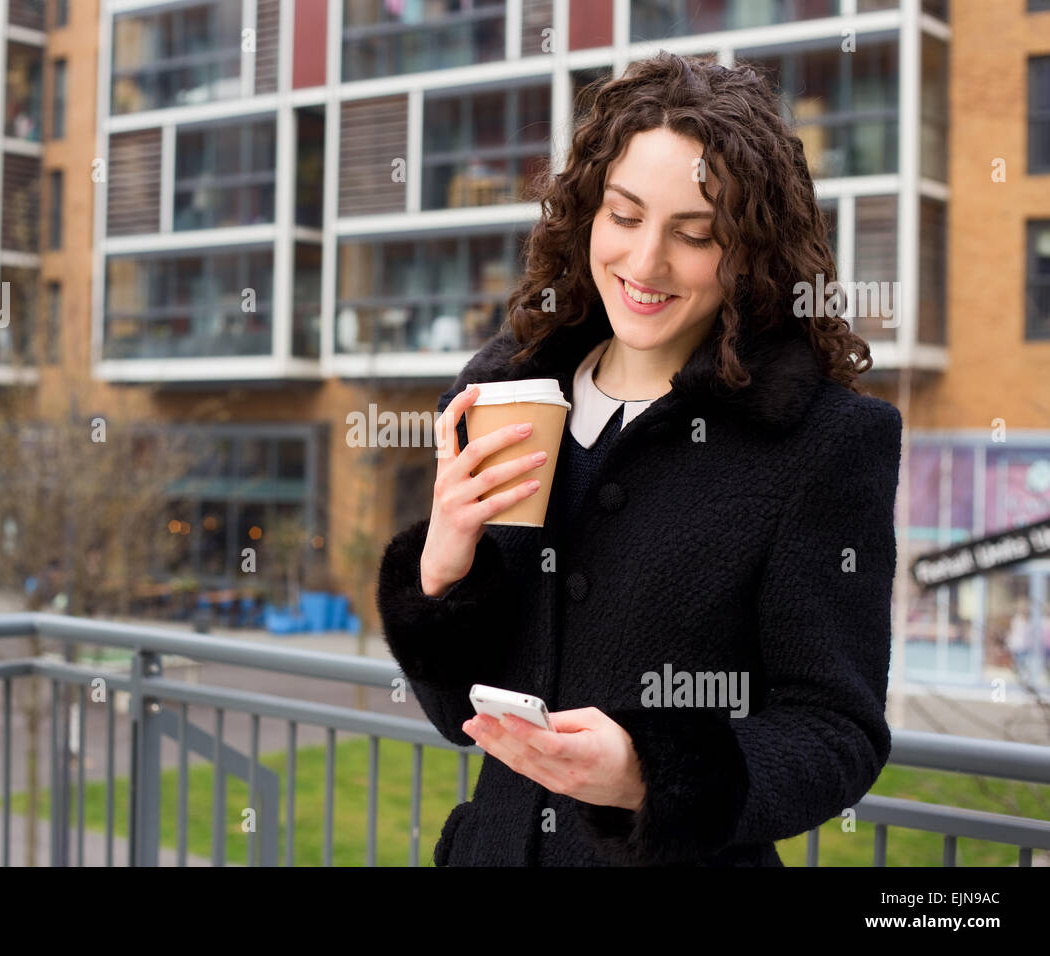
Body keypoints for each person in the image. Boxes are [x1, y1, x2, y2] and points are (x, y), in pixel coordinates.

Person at [375, 52, 903, 867]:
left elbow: (835, 731)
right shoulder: (499, 390)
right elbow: (458, 719)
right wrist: (442, 571)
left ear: (749, 252)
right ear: (586, 213)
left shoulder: (821, 443)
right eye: (623, 217)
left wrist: (650, 775)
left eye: (694, 235)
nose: (646, 263)